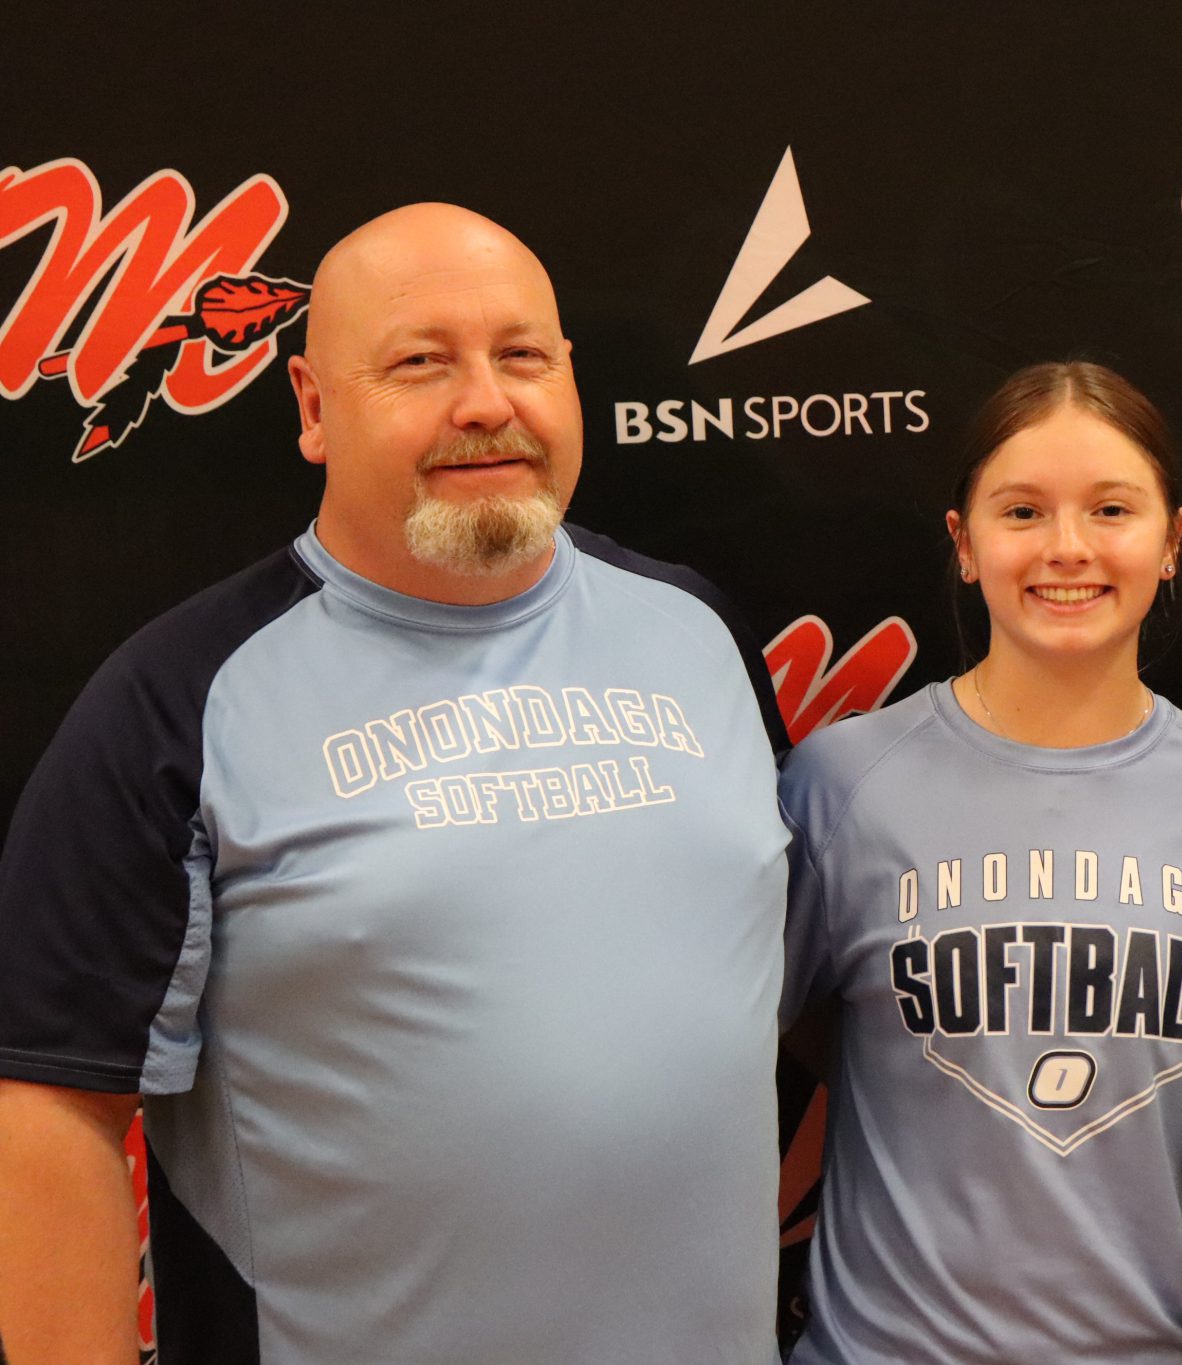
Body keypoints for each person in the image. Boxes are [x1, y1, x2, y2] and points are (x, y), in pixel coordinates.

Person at [0, 204, 789, 1365]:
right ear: (315, 408)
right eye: (420, 363)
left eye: (522, 357)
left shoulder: (699, 629)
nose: (485, 403)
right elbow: (51, 1111)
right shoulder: (180, 701)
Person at [779, 362, 1182, 1363]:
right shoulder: (842, 785)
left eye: (1110, 509)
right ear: (963, 545)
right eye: (1021, 512)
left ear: (1171, 542)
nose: (1066, 548)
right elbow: (772, 1036)